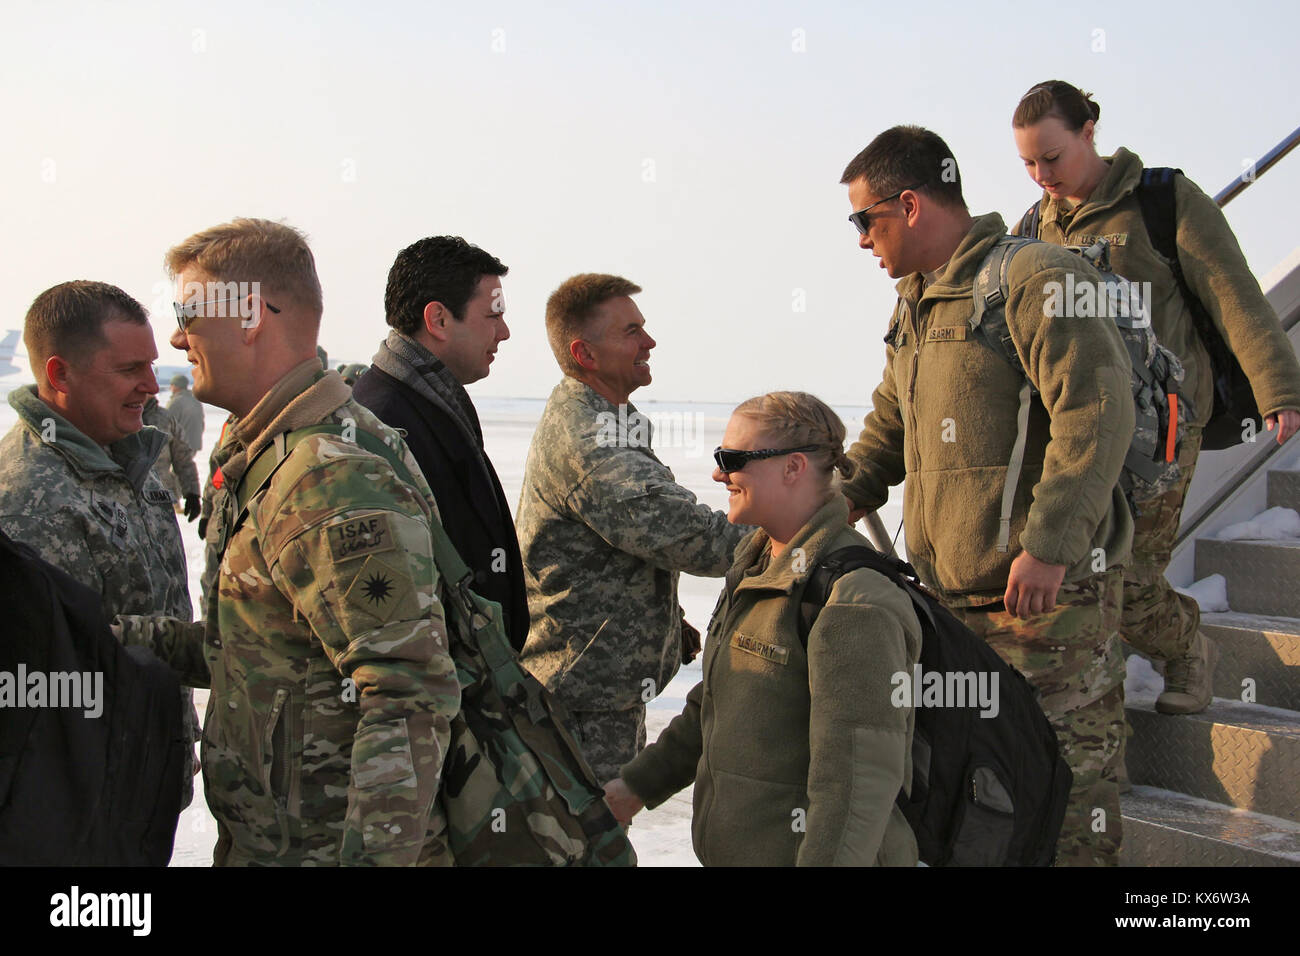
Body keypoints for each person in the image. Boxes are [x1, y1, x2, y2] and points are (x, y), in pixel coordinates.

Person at [114, 217, 461, 866]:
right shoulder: (265, 455)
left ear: (248, 315)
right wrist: (100, 635)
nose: (176, 335)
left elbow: (408, 692)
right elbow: (254, 646)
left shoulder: (329, 474)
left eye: (190, 311)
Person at [839, 126, 1135, 866]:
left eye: (862, 221)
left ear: (908, 204)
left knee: (1067, 803)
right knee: (980, 809)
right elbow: (888, 428)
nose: (861, 242)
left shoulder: (1033, 276)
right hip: (955, 611)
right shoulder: (916, 301)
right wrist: (826, 503)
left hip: (1046, 606)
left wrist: (1049, 547)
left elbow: (1097, 412)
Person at [1011, 80, 1300, 715]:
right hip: (1080, 428)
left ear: (1089, 131)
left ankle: (1188, 648)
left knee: (1130, 576)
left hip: (1166, 426)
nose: (1041, 176)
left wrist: (1279, 389)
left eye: (1051, 158)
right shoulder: (1035, 227)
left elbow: (1233, 293)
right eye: (1028, 164)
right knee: (1081, 569)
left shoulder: (1162, 201)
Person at [604, 392, 922, 865]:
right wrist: (636, 786)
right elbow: (715, 704)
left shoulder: (853, 600)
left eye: (732, 459)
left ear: (793, 468)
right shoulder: (756, 566)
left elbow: (856, 786)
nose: (719, 473)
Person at [516, 273, 747, 782]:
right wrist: (793, 536)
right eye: (631, 332)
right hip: (581, 697)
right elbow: (686, 535)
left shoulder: (607, 416)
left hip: (598, 685)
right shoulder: (590, 441)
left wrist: (667, 619)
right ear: (586, 354)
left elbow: (629, 545)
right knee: (591, 841)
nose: (649, 342)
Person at [0, 280, 199, 811]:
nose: (151, 386)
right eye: (129, 369)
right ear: (59, 374)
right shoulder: (28, 499)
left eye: (151, 366)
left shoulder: (127, 463)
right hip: (81, 808)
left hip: (142, 780)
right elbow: (38, 689)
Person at [354, 236, 528, 651]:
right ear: (438, 320)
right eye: (493, 315)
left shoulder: (433, 400)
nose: (504, 332)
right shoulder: (382, 422)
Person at [142, 393, 201, 521]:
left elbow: (183, 459)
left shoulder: (166, 419)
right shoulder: (116, 418)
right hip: (123, 502)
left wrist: (192, 493)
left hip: (159, 501)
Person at [168, 373, 205, 454]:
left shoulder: (176, 402)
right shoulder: (195, 401)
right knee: (187, 466)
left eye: (171, 385)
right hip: (194, 443)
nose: (170, 388)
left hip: (180, 445)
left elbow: (166, 424)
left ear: (176, 386)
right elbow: (202, 424)